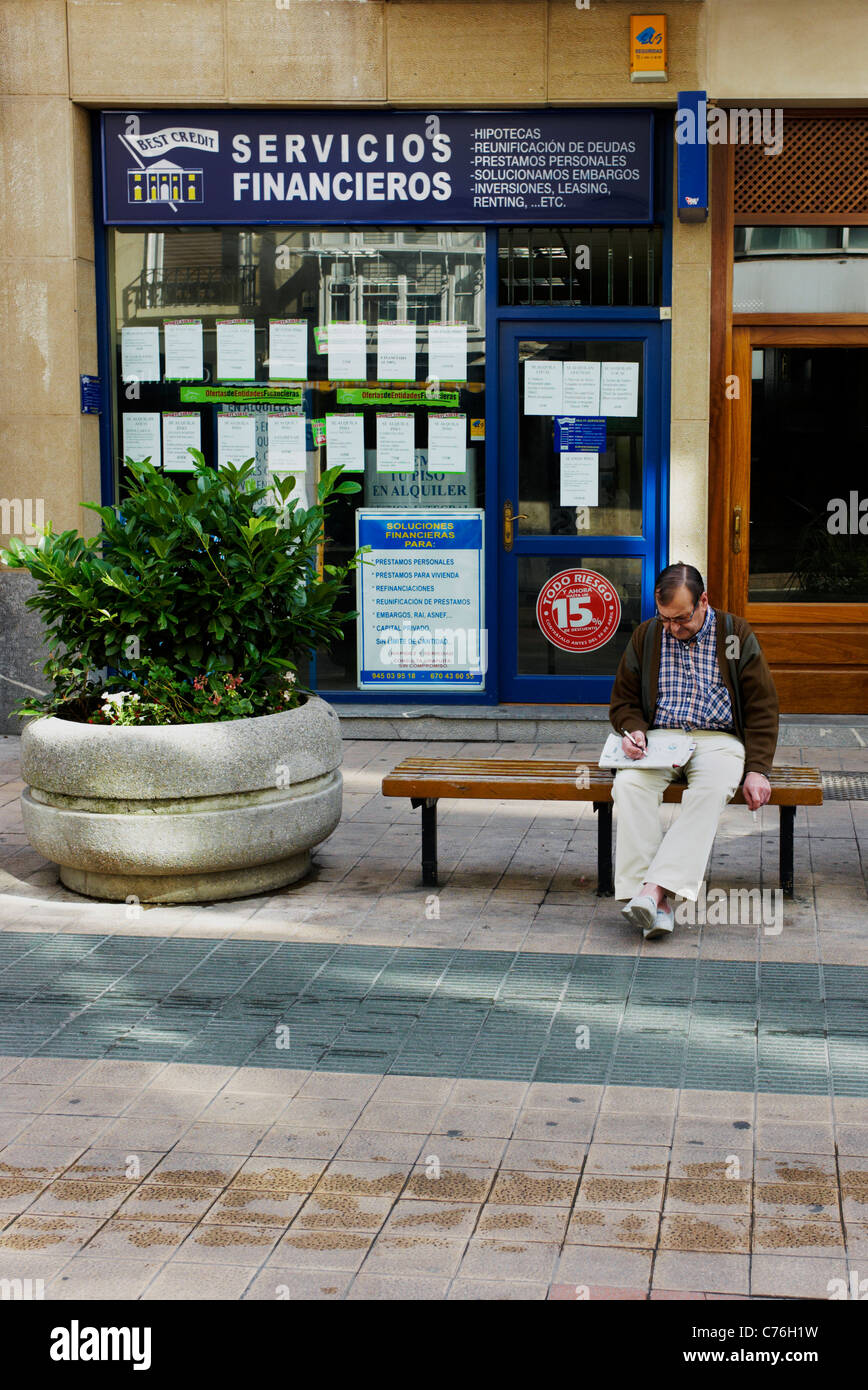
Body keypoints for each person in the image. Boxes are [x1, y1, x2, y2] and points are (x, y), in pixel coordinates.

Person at [608, 562, 779, 940]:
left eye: (681, 618)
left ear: (704, 600)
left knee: (712, 789)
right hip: (661, 738)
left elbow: (762, 706)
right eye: (665, 619)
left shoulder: (735, 634)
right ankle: (660, 904)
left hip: (718, 738)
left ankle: (651, 891)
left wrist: (758, 769)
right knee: (630, 785)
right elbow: (623, 701)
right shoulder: (647, 636)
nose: (672, 628)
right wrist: (633, 730)